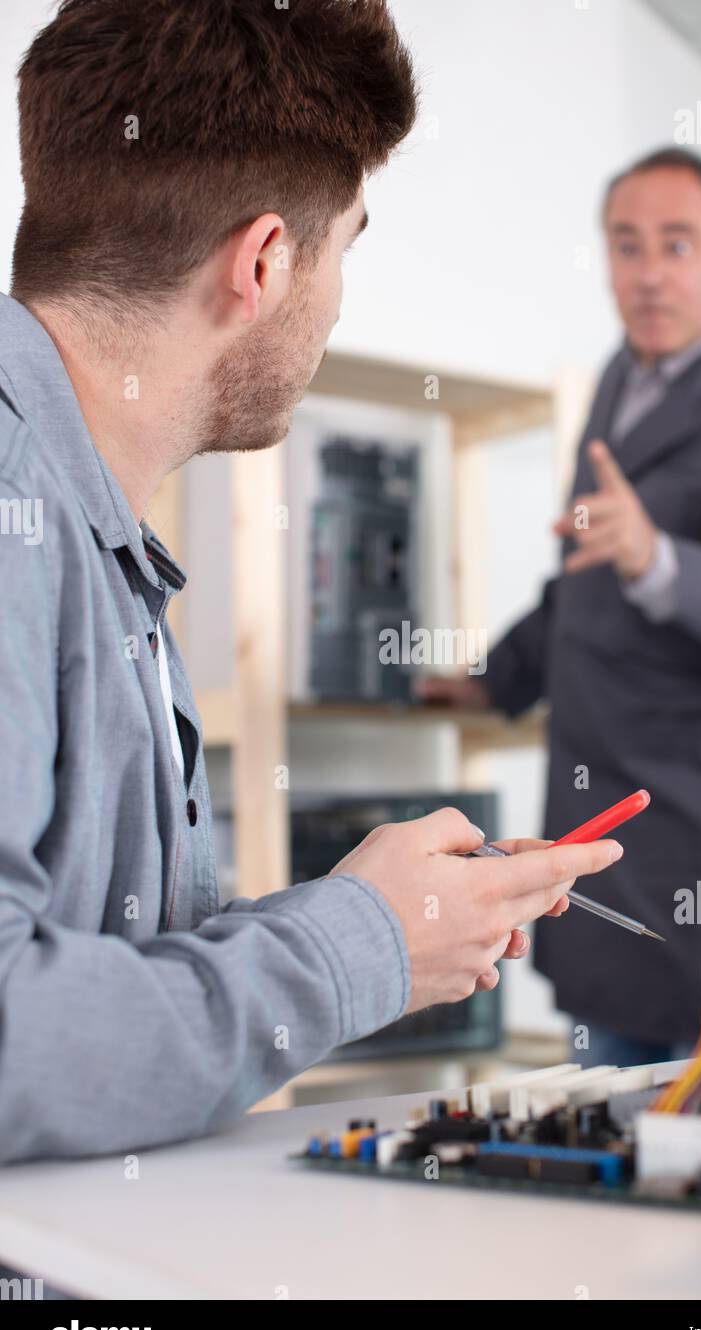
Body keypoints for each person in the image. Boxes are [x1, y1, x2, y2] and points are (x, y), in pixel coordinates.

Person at [0, 0, 625, 1164]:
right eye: (344, 252)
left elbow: (96, 963)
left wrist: (376, 921)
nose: (335, 304)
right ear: (264, 261)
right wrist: (358, 943)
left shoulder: (94, 530)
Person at [421, 148, 701, 1066]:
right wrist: (491, 681)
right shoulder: (623, 382)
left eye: (677, 244)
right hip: (617, 869)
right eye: (627, 246)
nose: (650, 272)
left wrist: (664, 562)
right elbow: (589, 576)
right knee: (610, 1168)